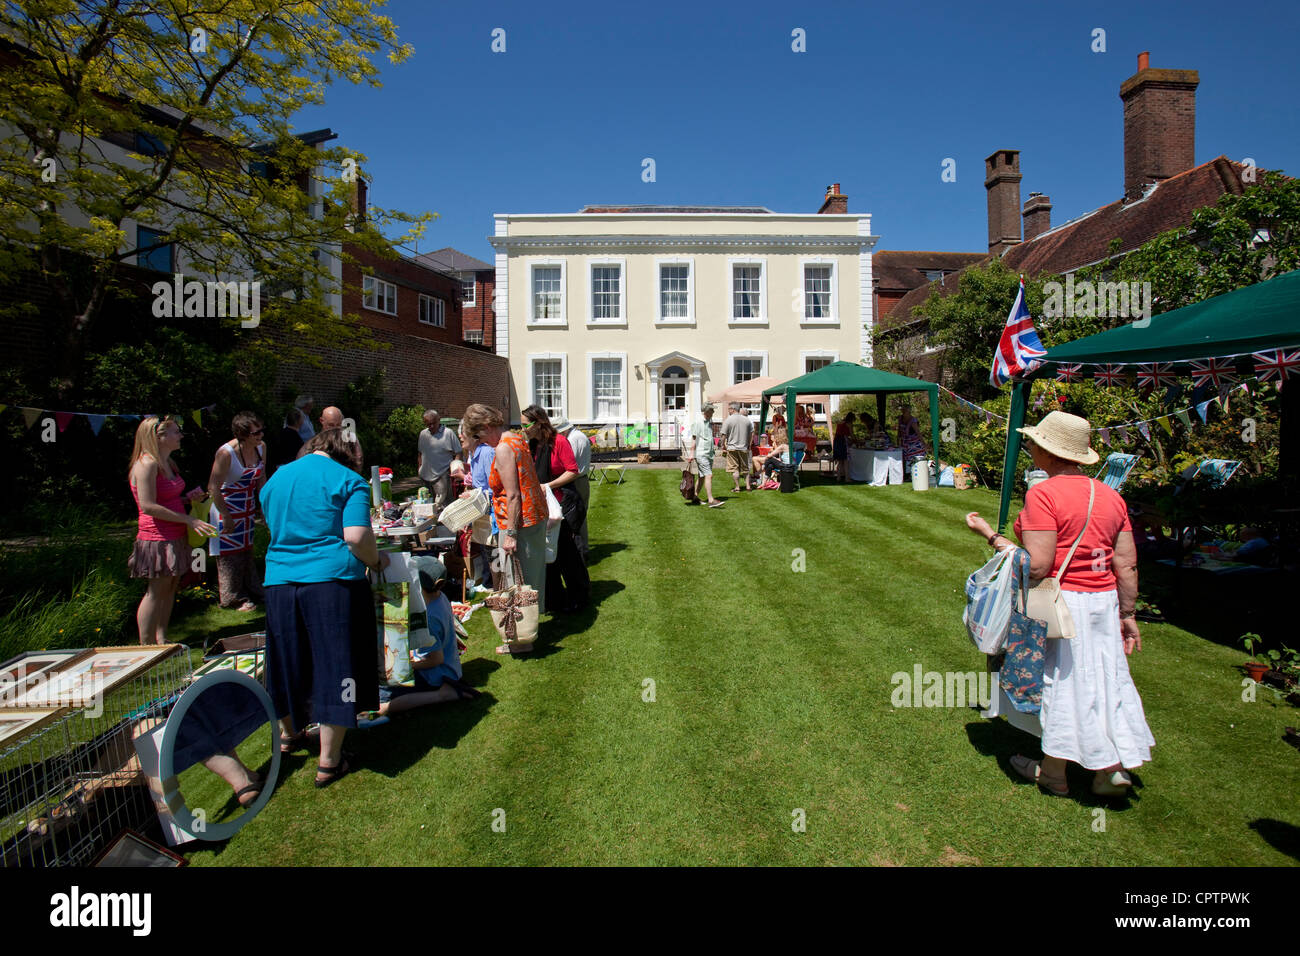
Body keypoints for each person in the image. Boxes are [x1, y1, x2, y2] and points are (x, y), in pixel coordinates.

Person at [964, 411, 1153, 798]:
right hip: (1103, 603)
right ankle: (1109, 768)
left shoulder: (1043, 494)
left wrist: (991, 538)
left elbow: (1038, 565)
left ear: (1048, 453)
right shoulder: (1111, 497)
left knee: (1060, 682)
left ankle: (1056, 774)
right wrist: (1128, 613)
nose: (1030, 447)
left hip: (1061, 604)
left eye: (1034, 442)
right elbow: (1127, 563)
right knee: (1103, 680)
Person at [260, 427, 389, 788]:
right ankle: (329, 761)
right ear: (346, 454)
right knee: (336, 664)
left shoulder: (276, 478)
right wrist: (375, 561)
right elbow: (356, 536)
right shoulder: (348, 480)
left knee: (286, 658)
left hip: (279, 582)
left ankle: (289, 734)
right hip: (331, 583)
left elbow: (276, 526)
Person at [463, 403, 548, 654]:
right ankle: (523, 633)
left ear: (487, 427)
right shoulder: (515, 437)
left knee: (515, 580)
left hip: (518, 522)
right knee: (528, 578)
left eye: (477, 436)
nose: (479, 442)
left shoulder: (502, 448)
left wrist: (510, 534)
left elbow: (512, 495)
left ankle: (522, 639)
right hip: (533, 516)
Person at [128, 416, 216, 644]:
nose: (180, 436)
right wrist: (189, 519)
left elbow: (167, 498)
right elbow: (147, 505)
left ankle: (162, 638)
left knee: (170, 588)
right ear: (159, 437)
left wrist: (188, 499)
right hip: (156, 536)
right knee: (155, 591)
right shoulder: (146, 464)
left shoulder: (169, 463)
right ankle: (145, 646)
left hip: (176, 533)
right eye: (176, 432)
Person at [370, 556, 481, 717]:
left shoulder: (430, 618)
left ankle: (443, 694)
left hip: (437, 676)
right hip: (448, 670)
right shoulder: (439, 598)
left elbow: (436, 659)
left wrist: (408, 666)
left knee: (382, 693)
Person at [522, 405, 590, 614]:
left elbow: (573, 471)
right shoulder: (531, 445)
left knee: (567, 554)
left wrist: (548, 487)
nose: (523, 429)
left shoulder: (558, 441)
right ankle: (554, 600)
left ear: (539, 422)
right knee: (546, 554)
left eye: (526, 425)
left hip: (561, 504)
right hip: (542, 507)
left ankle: (579, 597)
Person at [207, 411, 267, 612]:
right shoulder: (226, 454)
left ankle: (253, 590)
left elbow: (261, 478)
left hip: (247, 506)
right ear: (243, 435)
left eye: (261, 430)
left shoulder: (261, 448)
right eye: (255, 432)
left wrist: (263, 507)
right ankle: (233, 597)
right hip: (227, 506)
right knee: (229, 554)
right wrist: (226, 515)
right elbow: (213, 487)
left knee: (246, 551)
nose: (260, 435)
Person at [553, 416, 591, 562]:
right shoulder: (576, 436)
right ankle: (580, 550)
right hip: (578, 479)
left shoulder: (574, 439)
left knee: (577, 516)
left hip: (577, 481)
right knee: (577, 515)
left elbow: (569, 465)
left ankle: (581, 552)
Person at [417, 409, 462, 515]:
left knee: (445, 505)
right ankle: (432, 527)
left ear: (439, 420)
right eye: (428, 424)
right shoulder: (423, 434)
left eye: (433, 423)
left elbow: (458, 452)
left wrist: (455, 470)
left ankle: (448, 527)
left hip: (442, 475)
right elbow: (420, 453)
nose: (431, 426)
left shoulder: (448, 433)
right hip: (425, 475)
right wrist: (419, 468)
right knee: (428, 505)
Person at [684, 403, 723, 508]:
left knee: (702, 477)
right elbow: (694, 439)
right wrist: (692, 453)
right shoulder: (698, 422)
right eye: (711, 410)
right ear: (706, 411)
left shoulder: (709, 422)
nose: (713, 412)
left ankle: (695, 496)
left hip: (708, 453)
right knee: (709, 475)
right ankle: (711, 500)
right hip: (701, 454)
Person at [720, 403, 754, 494]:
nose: (728, 411)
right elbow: (751, 434)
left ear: (733, 409)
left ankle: (737, 487)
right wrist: (749, 444)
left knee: (735, 468)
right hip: (743, 447)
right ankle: (748, 486)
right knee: (745, 468)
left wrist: (722, 445)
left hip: (732, 448)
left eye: (729, 409)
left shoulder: (728, 420)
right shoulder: (747, 420)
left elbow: (723, 435)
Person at [272, 407, 306, 476]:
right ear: (299, 421)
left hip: (277, 468)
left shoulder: (279, 433)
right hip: (289, 470)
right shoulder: (296, 438)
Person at [833, 412, 856, 483]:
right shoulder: (849, 424)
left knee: (840, 461)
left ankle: (838, 478)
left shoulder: (840, 423)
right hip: (843, 442)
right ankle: (847, 478)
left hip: (837, 441)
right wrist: (856, 440)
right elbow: (852, 435)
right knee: (846, 461)